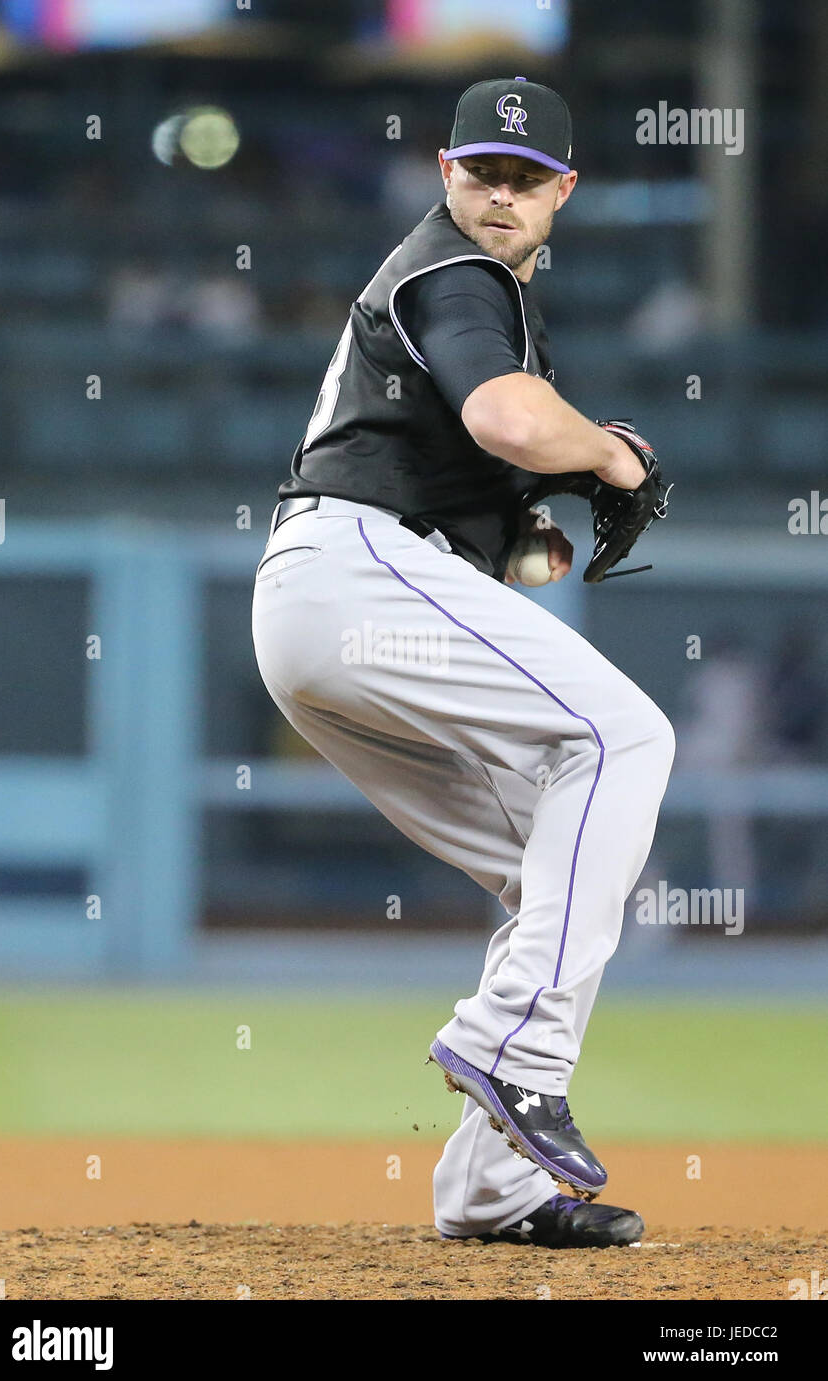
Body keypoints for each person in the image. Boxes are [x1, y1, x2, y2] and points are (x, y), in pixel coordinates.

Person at [252, 78, 675, 1248]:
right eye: (482, 171)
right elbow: (503, 419)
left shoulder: (485, 303)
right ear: (444, 172)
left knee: (558, 869)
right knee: (626, 737)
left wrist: (533, 523)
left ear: (562, 193)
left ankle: (492, 1187)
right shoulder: (455, 273)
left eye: (524, 179)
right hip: (349, 571)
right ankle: (509, 1048)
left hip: (332, 604)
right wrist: (615, 455)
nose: (499, 195)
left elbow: (497, 509)